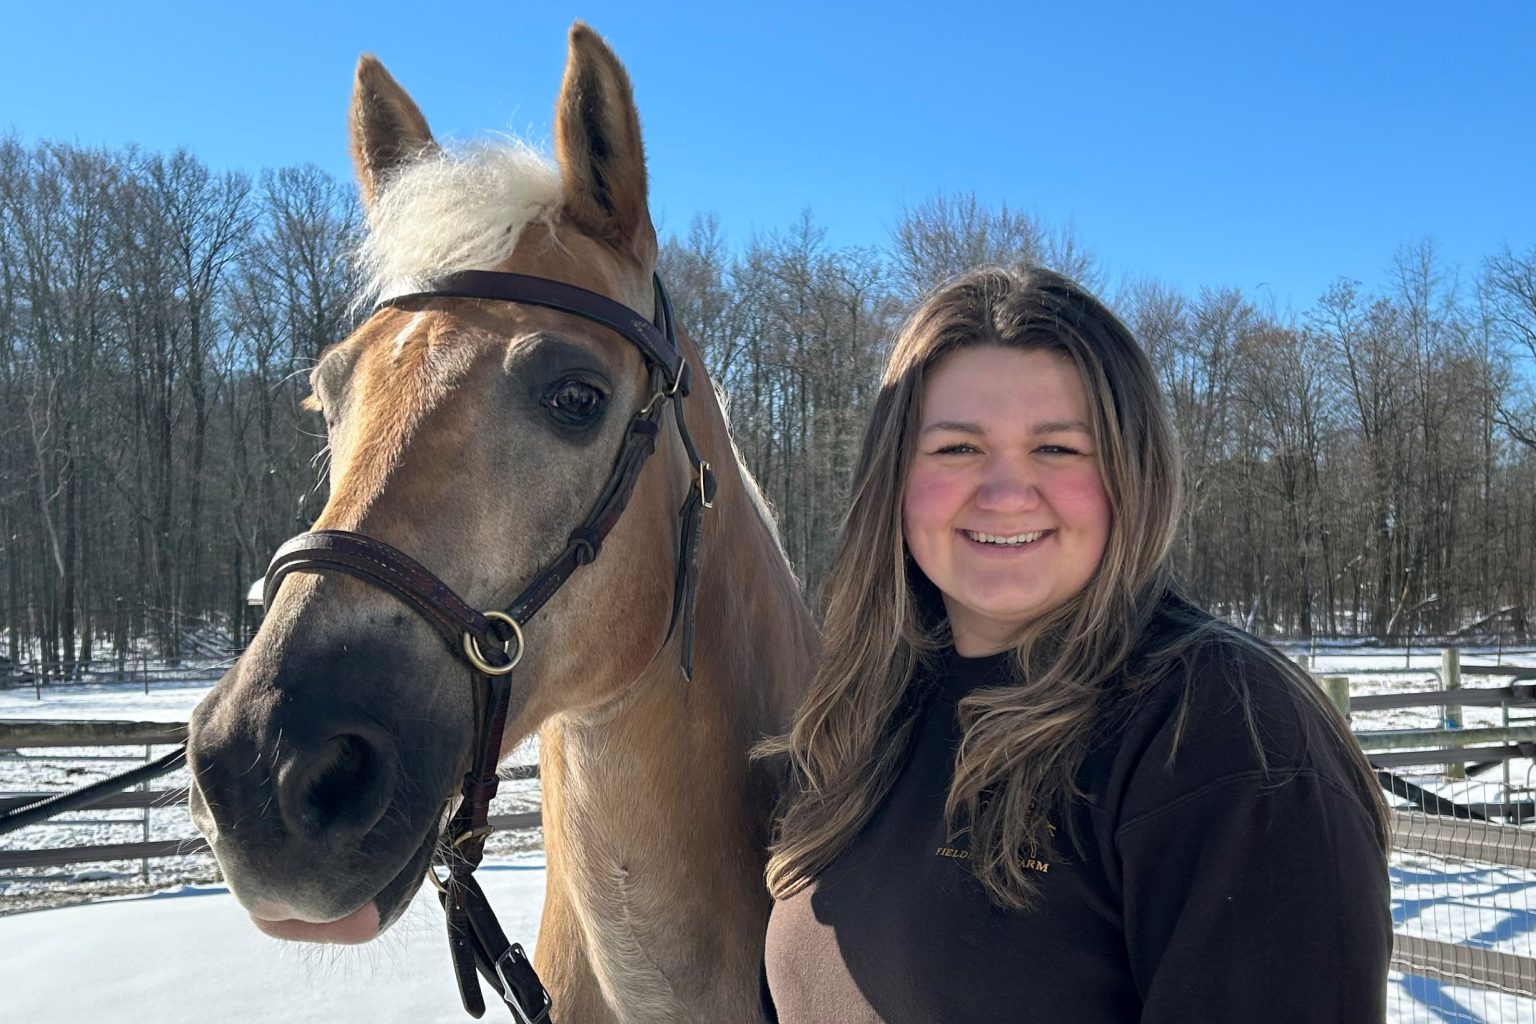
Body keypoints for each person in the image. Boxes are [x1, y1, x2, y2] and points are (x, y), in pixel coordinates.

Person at [761, 267, 1391, 1023]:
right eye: (957, 448)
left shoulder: (1216, 730)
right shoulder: (866, 715)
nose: (1003, 492)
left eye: (1057, 449)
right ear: (894, 478)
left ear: (1131, 472)